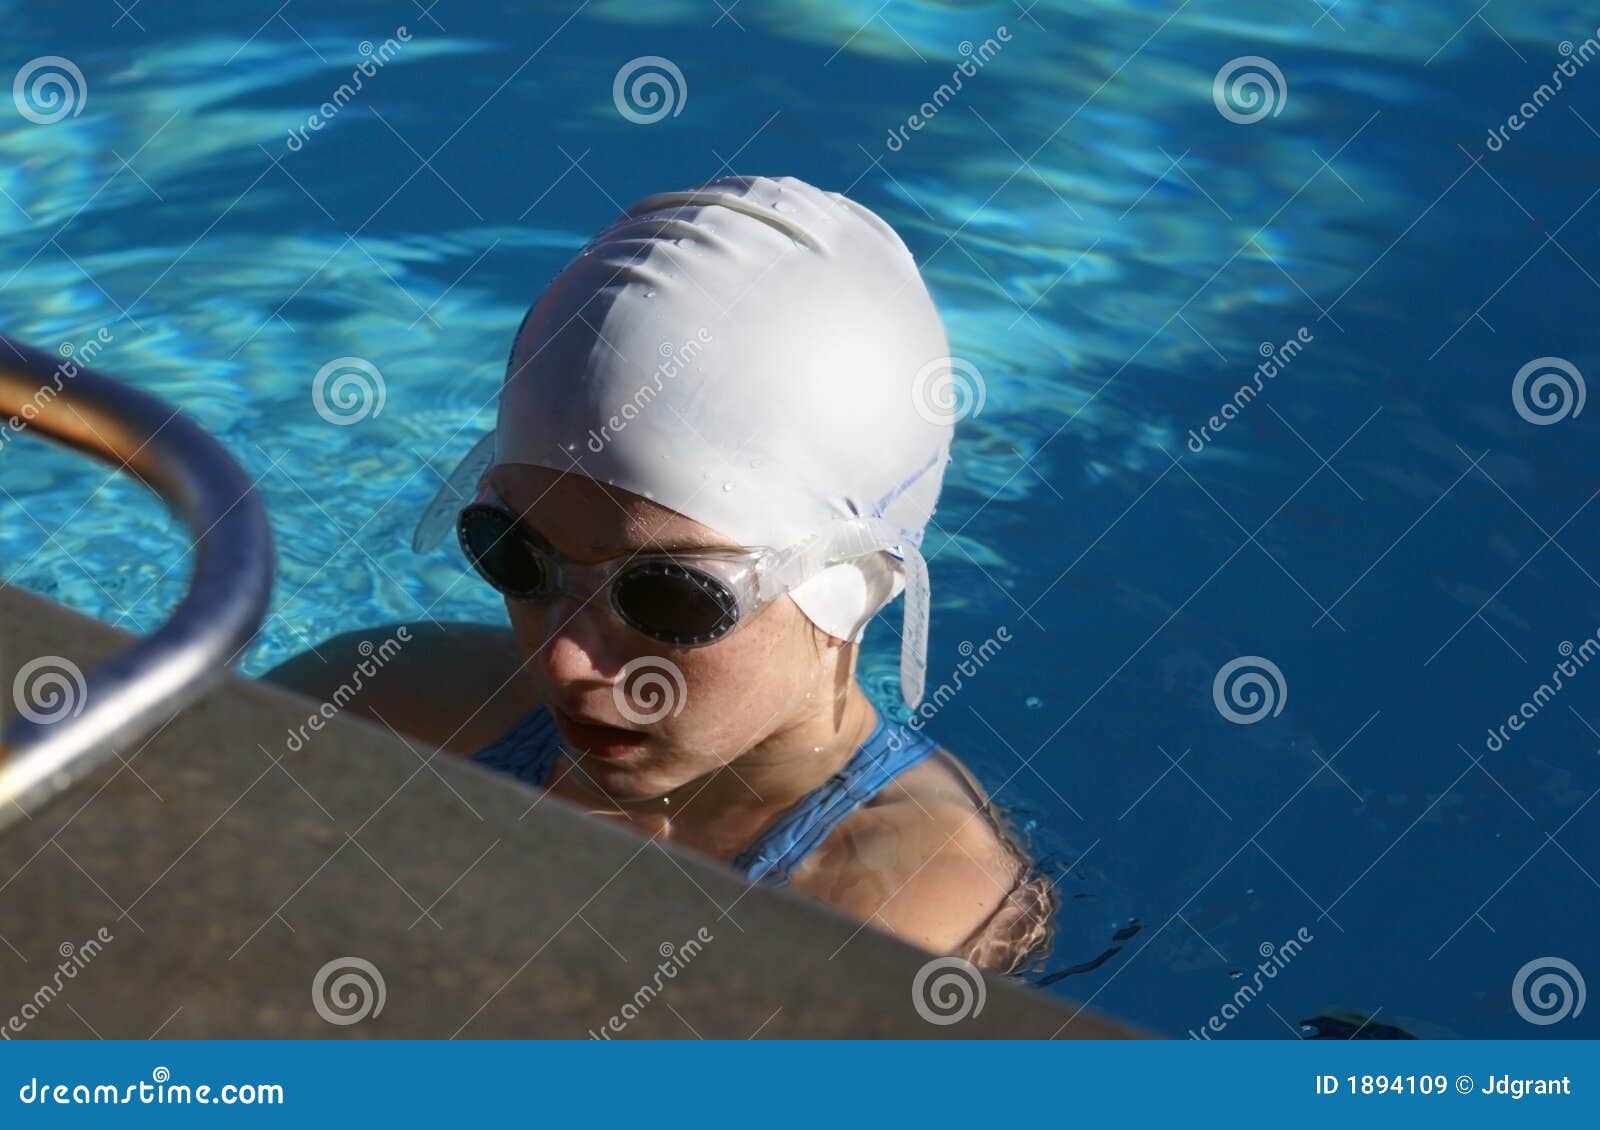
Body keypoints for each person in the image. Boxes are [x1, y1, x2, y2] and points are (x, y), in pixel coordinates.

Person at [266, 176, 1052, 971]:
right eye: (514, 553)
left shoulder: (910, 913)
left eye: (667, 597)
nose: (566, 659)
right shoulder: (389, 710)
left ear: (850, 584)